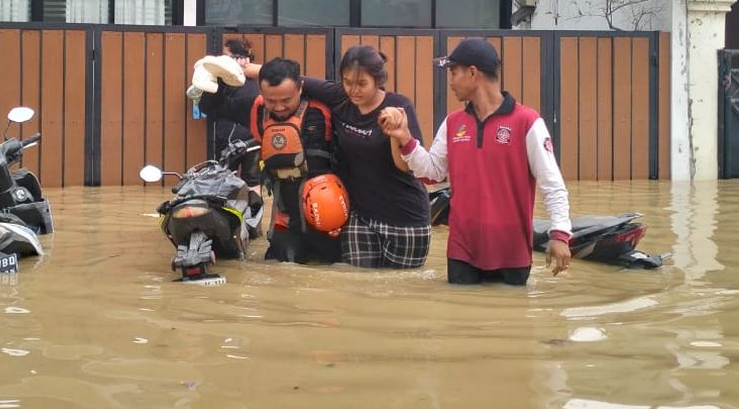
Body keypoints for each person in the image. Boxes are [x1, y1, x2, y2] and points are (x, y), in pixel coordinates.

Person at [379, 38, 572, 285]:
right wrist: (404, 137)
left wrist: (560, 234)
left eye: (453, 73)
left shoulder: (527, 122)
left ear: (472, 73)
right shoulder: (453, 122)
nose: (450, 82)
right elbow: (432, 172)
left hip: (512, 252)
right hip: (462, 250)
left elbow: (552, 184)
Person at [290, 45, 432, 269]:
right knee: (356, 280)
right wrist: (240, 67)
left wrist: (397, 133)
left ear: (378, 80)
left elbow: (405, 167)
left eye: (362, 84)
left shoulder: (399, 107)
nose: (353, 90)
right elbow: (289, 79)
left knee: (400, 285)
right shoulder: (340, 98)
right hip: (361, 215)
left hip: (405, 218)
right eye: (347, 82)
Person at [202, 56, 340, 263]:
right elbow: (211, 106)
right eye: (271, 100)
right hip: (286, 220)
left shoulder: (326, 109)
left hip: (330, 217)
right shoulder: (256, 108)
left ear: (301, 88)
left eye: (286, 100)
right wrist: (219, 76)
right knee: (280, 267)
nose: (279, 107)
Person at [196, 37, 262, 189]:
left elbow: (209, 107)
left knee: (229, 181)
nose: (221, 59)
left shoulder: (241, 83)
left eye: (225, 55)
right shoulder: (246, 83)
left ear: (237, 58)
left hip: (237, 141)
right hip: (246, 140)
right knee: (250, 181)